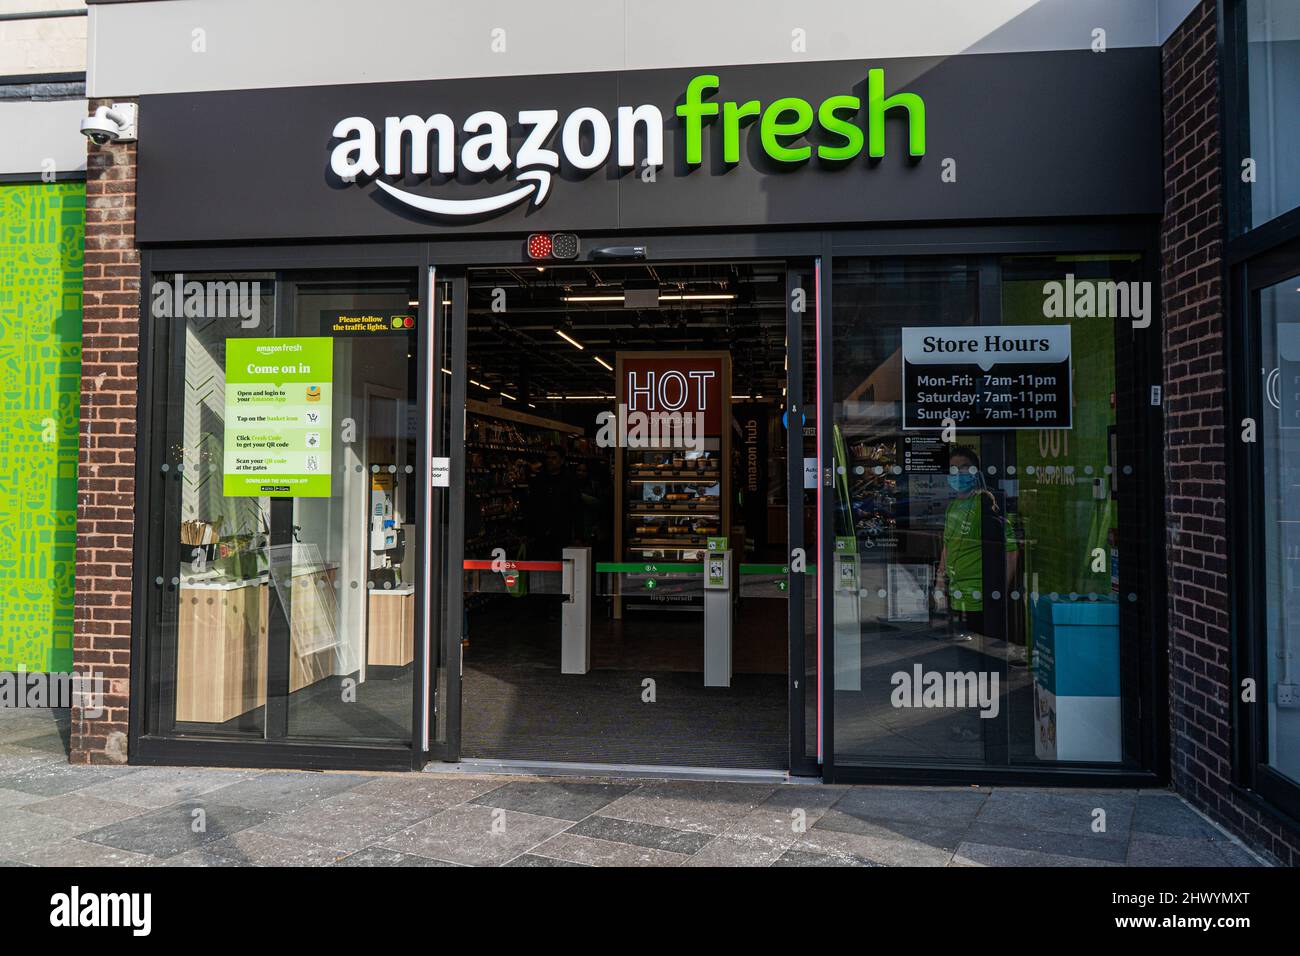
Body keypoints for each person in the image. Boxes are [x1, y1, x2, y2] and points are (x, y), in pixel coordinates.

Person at [936, 447, 1019, 644]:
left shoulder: (986, 503)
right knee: (962, 654)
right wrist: (940, 580)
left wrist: (998, 592)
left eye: (964, 468)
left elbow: (1011, 552)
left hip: (981, 597)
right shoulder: (952, 507)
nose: (958, 474)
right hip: (957, 594)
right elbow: (948, 545)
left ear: (976, 472)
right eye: (953, 469)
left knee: (981, 654)